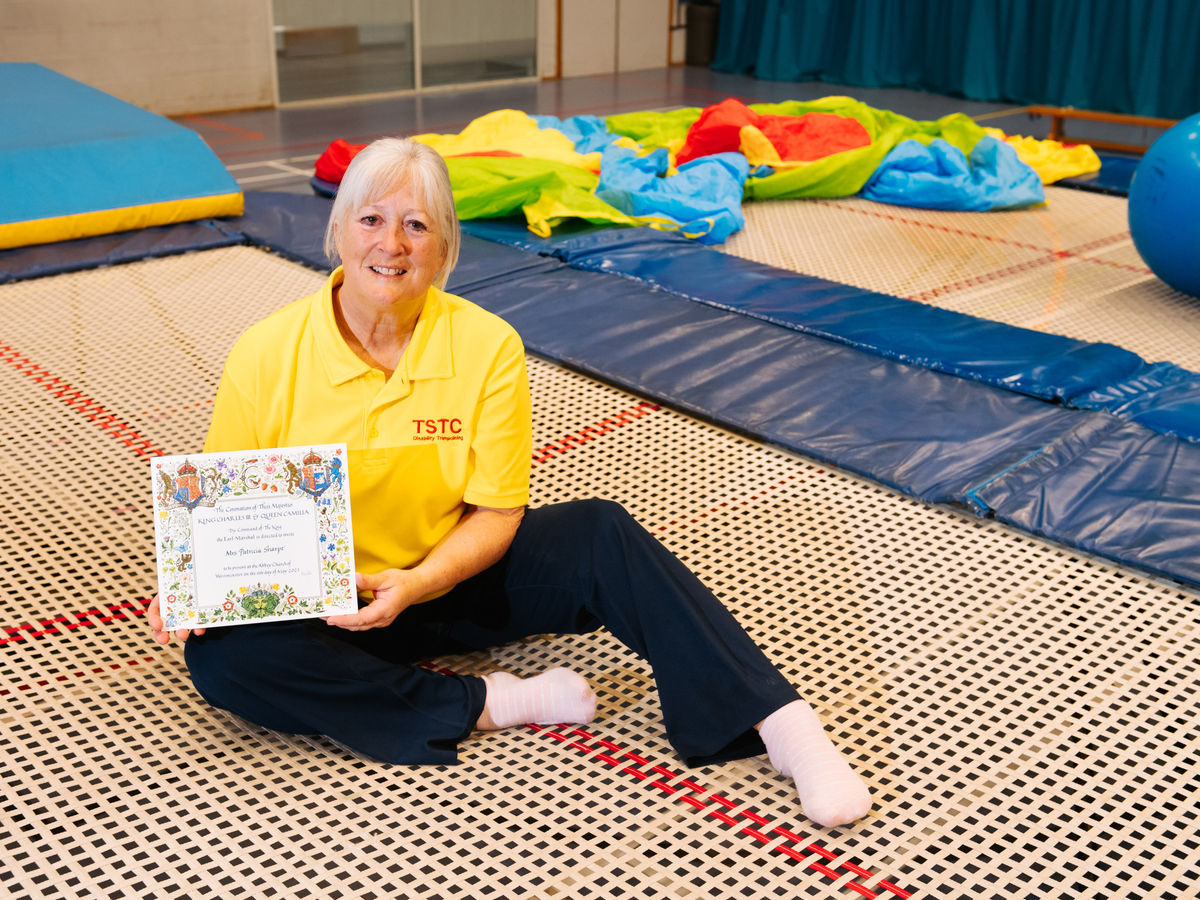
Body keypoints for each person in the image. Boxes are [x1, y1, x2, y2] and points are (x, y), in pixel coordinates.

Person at [146, 138, 872, 827]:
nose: (390, 245)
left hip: (453, 575)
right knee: (222, 659)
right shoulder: (266, 353)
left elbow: (497, 513)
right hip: (326, 597)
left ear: (444, 247)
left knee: (601, 532)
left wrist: (420, 581)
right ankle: (489, 701)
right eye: (370, 220)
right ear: (339, 231)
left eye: (415, 225)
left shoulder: (487, 345)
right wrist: (194, 585)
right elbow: (225, 505)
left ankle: (780, 724)